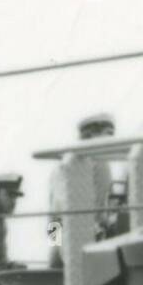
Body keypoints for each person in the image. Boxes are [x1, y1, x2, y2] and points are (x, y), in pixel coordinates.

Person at [48, 112, 126, 267]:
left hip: (65, 245)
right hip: (88, 243)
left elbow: (53, 218)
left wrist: (54, 253)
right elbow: (100, 216)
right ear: (91, 136)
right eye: (108, 135)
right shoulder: (99, 162)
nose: (112, 141)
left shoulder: (61, 167)